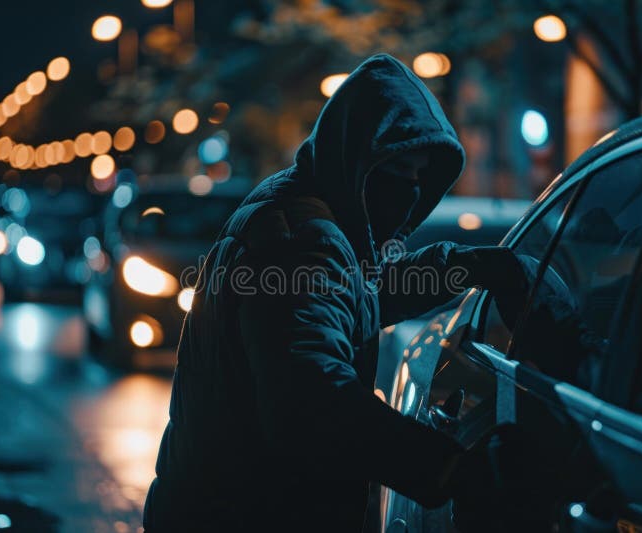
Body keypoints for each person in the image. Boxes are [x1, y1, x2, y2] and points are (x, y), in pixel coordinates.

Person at [143, 53, 528, 532]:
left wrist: (471, 266)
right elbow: (313, 401)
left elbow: (358, 297)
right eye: (397, 170)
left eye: (418, 176)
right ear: (357, 160)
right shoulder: (303, 241)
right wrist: (452, 469)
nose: (409, 190)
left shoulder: (305, 216)